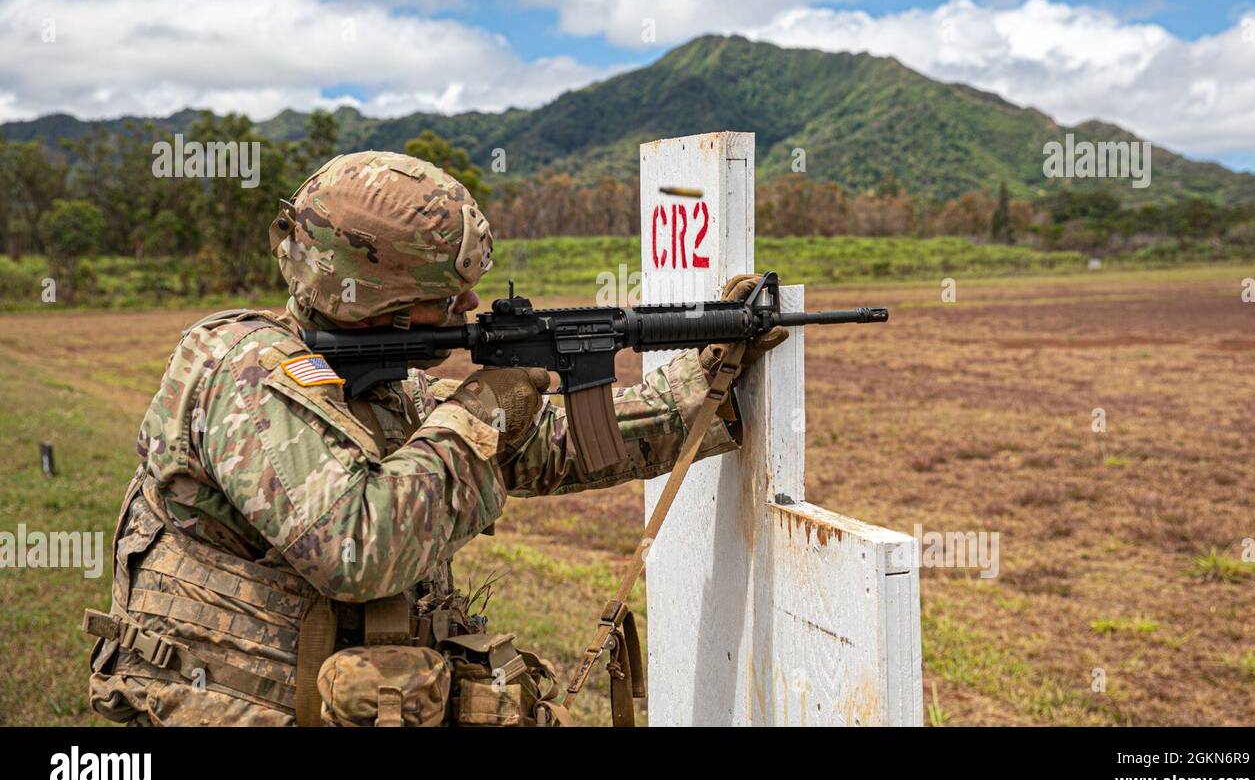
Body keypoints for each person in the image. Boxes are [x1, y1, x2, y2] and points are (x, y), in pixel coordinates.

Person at [83, 150, 785, 725]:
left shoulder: (377, 383)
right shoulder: (248, 374)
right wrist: (481, 408)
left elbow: (548, 444)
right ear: (375, 293)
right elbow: (360, 548)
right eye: (444, 296)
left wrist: (706, 380)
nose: (469, 307)